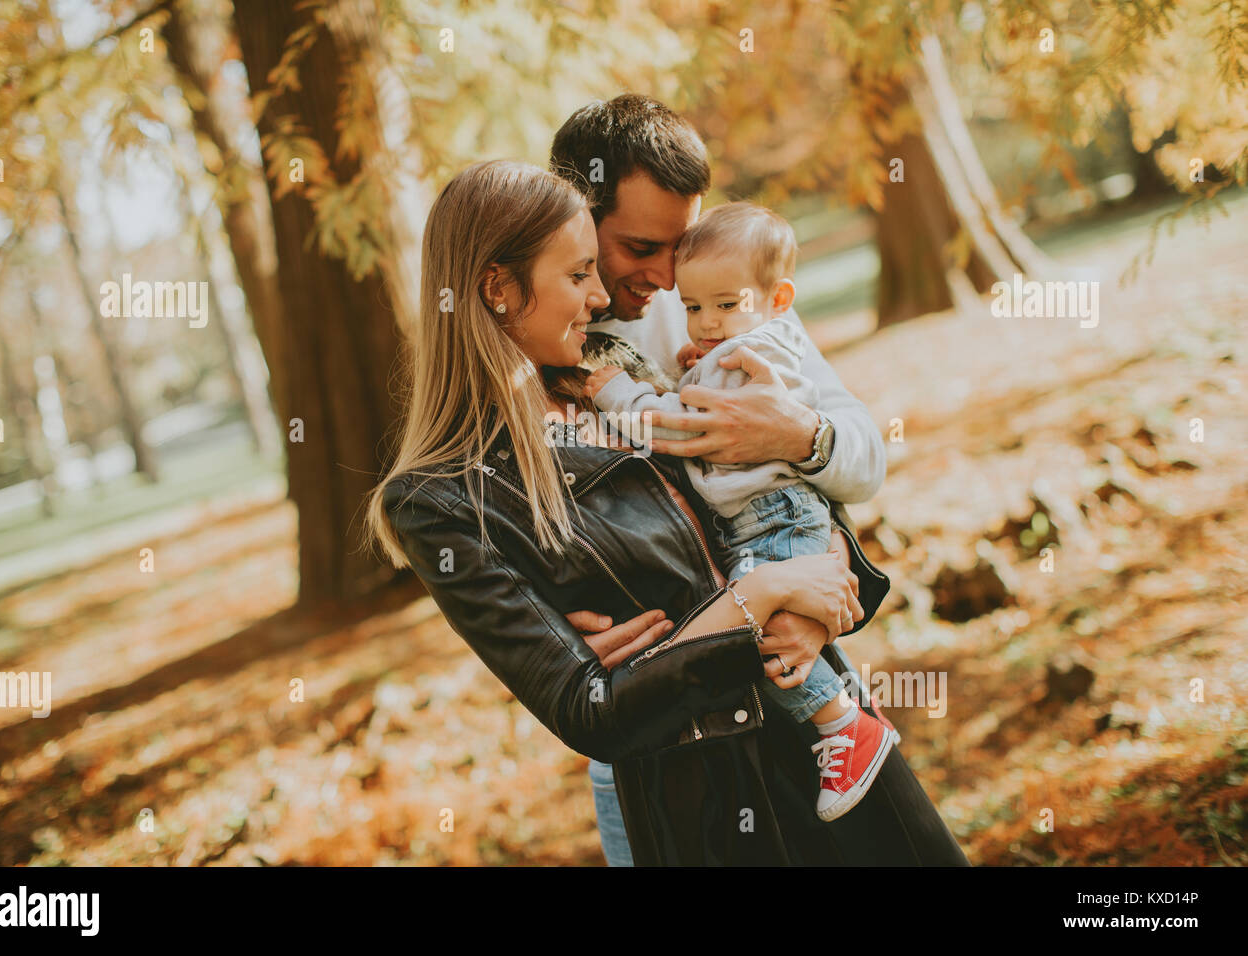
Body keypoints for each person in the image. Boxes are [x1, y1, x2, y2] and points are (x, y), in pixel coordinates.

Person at [366, 158, 969, 866]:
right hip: (706, 808)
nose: (601, 297)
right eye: (576, 275)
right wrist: (762, 593)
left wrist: (822, 572)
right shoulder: (441, 501)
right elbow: (591, 707)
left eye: (597, 269)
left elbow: (768, 505)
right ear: (497, 288)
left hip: (832, 740)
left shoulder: (624, 378)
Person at [548, 93, 899, 863]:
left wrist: (798, 436)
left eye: (684, 242)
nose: (670, 275)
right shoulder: (532, 348)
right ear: (576, 217)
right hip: (654, 746)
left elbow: (864, 459)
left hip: (789, 682)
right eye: (643, 247)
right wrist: (554, 624)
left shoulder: (729, 300)